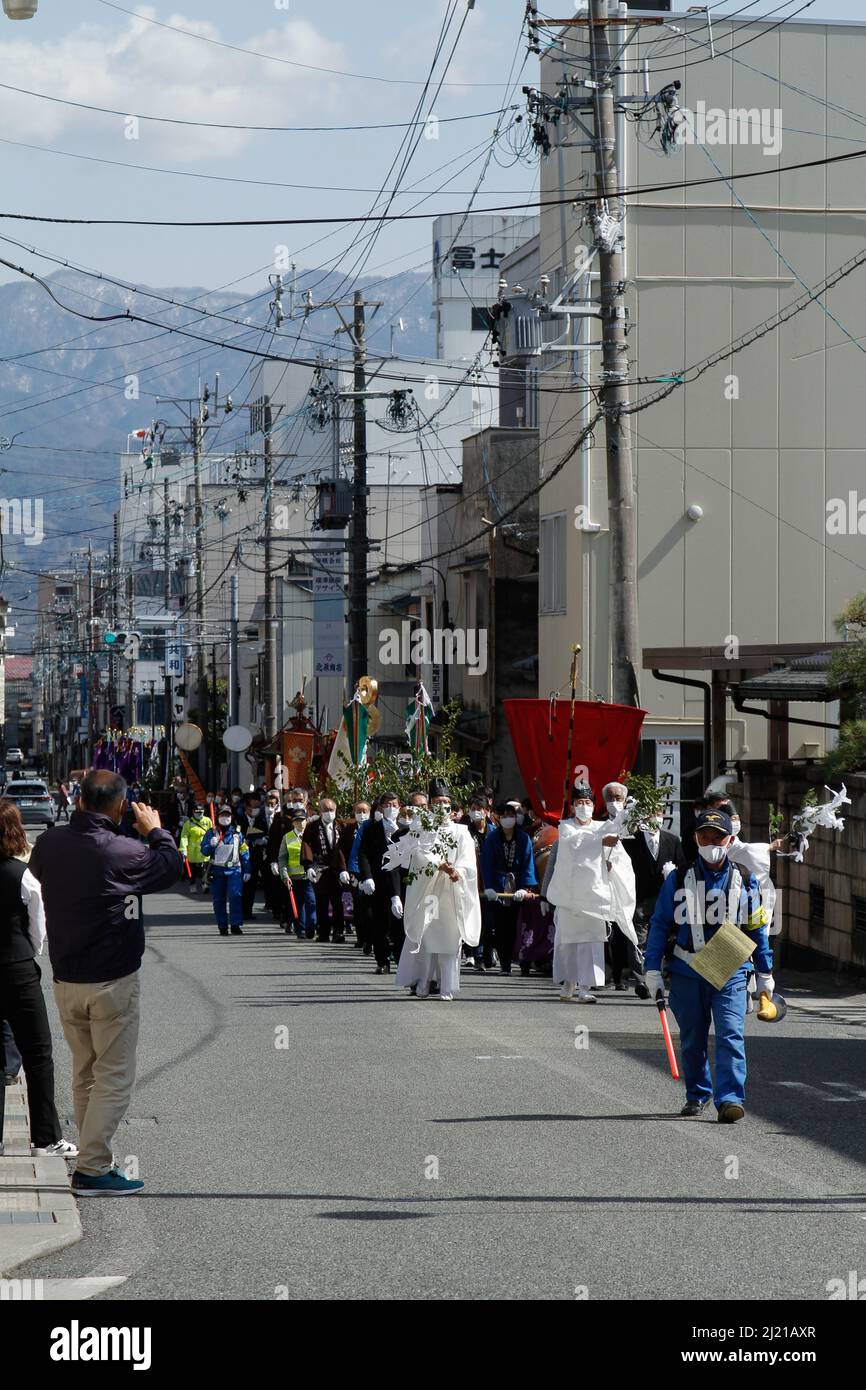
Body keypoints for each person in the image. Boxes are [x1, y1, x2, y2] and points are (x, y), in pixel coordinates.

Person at [28, 770, 183, 1195]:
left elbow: (41, 877)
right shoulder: (125, 850)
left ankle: (91, 1156)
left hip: (65, 976)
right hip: (112, 977)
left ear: (78, 801)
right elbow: (169, 869)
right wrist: (156, 831)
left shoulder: (49, 843)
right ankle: (94, 1167)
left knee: (86, 1070)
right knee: (113, 1073)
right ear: (120, 806)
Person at [644, 808, 772, 1122]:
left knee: (730, 1034)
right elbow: (660, 923)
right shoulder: (678, 878)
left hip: (731, 969)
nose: (711, 842)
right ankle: (698, 1094)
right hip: (687, 969)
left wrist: (765, 971)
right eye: (705, 836)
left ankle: (729, 1099)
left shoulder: (745, 878)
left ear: (730, 840)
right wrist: (651, 969)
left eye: (718, 837)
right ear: (695, 839)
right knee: (693, 1038)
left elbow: (757, 927)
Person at [0, 799, 76, 1160]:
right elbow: (37, 925)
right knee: (38, 1051)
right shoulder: (22, 873)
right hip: (16, 968)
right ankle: (45, 1138)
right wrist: (29, 951)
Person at [384, 779, 481, 1000]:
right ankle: (423, 984)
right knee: (426, 937)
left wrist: (458, 871)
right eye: (438, 801)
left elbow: (468, 861)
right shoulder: (422, 829)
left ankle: (446, 987)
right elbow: (418, 856)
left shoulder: (461, 831)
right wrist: (439, 865)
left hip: (450, 893)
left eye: (446, 802)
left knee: (448, 940)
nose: (442, 806)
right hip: (428, 891)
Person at [542, 781, 631, 1004]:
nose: (584, 806)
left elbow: (616, 853)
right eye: (580, 802)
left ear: (593, 805)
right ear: (572, 806)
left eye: (588, 802)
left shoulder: (602, 827)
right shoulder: (567, 827)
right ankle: (569, 984)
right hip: (571, 896)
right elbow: (577, 844)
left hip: (595, 893)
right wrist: (605, 836)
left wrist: (611, 861)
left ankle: (584, 987)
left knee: (590, 942)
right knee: (569, 942)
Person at [600, 781, 651, 997]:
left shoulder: (636, 827)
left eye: (618, 798)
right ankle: (612, 975)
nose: (614, 802)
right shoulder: (600, 826)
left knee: (632, 933)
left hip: (633, 887)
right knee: (609, 932)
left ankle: (640, 979)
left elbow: (646, 857)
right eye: (610, 798)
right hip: (607, 886)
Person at [480, 800, 538, 974]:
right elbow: (486, 864)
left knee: (521, 926)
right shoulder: (491, 839)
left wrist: (526, 887)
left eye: (511, 816)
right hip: (498, 886)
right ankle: (505, 964)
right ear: (498, 818)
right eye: (504, 816)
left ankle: (524, 963)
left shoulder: (523, 838)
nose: (508, 819)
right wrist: (488, 886)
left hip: (518, 884)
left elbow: (529, 863)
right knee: (501, 926)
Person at [357, 791, 405, 974]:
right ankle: (382, 960)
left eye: (394, 805)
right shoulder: (371, 830)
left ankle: (402, 961)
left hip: (399, 884)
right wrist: (367, 877)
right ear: (381, 808)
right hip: (377, 883)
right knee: (378, 924)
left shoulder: (404, 830)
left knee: (399, 925)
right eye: (387, 805)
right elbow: (363, 855)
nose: (391, 808)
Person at [302, 796, 349, 943]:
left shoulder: (341, 825)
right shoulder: (312, 826)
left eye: (331, 810)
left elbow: (344, 848)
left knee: (337, 902)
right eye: (326, 810)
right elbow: (307, 845)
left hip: (337, 870)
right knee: (321, 902)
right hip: (321, 869)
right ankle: (323, 932)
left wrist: (344, 868)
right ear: (320, 811)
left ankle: (338, 932)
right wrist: (308, 866)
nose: (329, 813)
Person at [200, 805, 250, 936]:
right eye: (222, 815)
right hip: (217, 871)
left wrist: (247, 869)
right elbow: (204, 851)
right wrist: (210, 845)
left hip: (235, 871)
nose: (225, 818)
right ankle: (222, 926)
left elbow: (244, 851)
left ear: (231, 817)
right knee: (219, 899)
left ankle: (235, 925)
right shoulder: (211, 833)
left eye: (227, 815)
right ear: (217, 817)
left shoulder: (237, 833)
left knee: (235, 896)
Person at [464, 793, 494, 971]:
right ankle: (477, 955)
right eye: (473, 809)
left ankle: (488, 953)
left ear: (486, 811)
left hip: (489, 881)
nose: (476, 813)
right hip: (471, 881)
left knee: (490, 922)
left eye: (479, 809)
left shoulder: (494, 832)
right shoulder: (465, 831)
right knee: (473, 919)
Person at [278, 809, 315, 936]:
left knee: (311, 902)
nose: (300, 823)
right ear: (293, 823)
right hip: (294, 877)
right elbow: (282, 858)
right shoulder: (287, 838)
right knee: (298, 905)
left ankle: (312, 926)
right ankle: (301, 929)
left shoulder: (311, 835)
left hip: (311, 876)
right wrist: (284, 875)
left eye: (303, 820)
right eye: (297, 821)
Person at [177, 802, 213, 892]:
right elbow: (184, 836)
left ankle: (205, 884)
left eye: (201, 812)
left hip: (205, 848)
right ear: (193, 812)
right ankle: (192, 883)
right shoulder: (188, 823)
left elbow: (212, 832)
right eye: (197, 812)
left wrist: (213, 842)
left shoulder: (208, 821)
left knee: (204, 868)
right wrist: (183, 849)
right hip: (192, 850)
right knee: (193, 870)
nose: (199, 814)